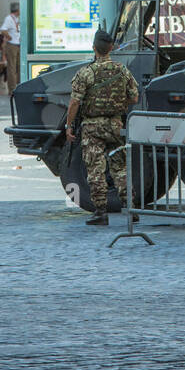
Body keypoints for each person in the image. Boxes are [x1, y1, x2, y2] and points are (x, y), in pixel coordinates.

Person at [66, 27, 139, 225]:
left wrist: (68, 126)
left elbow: (74, 103)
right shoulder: (122, 70)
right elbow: (134, 96)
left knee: (95, 169)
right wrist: (117, 104)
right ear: (111, 48)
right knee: (120, 167)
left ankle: (100, 212)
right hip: (115, 125)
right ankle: (131, 209)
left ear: (94, 48)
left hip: (92, 127)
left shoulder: (86, 73)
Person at [0, 1, 21, 95]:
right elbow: (3, 30)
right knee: (12, 68)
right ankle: (12, 89)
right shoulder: (9, 18)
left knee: (19, 66)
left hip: (18, 44)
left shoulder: (17, 18)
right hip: (12, 44)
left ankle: (19, 86)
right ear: (17, 10)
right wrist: (9, 37)